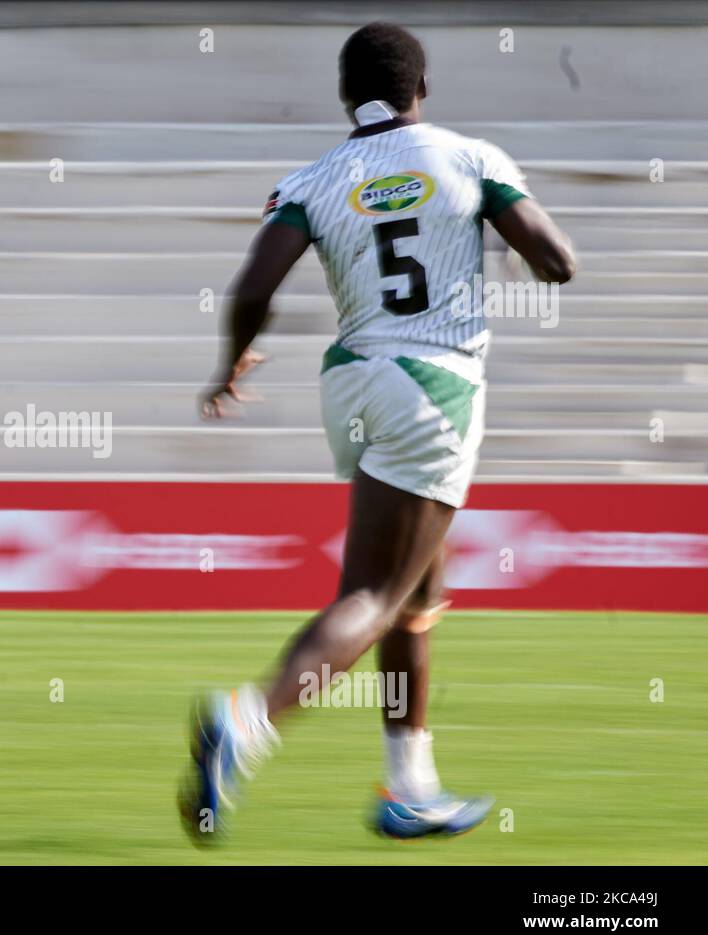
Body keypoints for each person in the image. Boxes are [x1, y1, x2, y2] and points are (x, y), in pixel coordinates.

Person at [182, 23, 575, 841]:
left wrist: (230, 364)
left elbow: (252, 285)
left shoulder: (317, 177)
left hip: (354, 381)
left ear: (343, 94)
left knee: (415, 596)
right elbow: (557, 259)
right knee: (373, 595)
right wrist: (510, 250)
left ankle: (410, 786)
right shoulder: (469, 157)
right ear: (420, 84)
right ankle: (245, 723)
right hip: (433, 384)